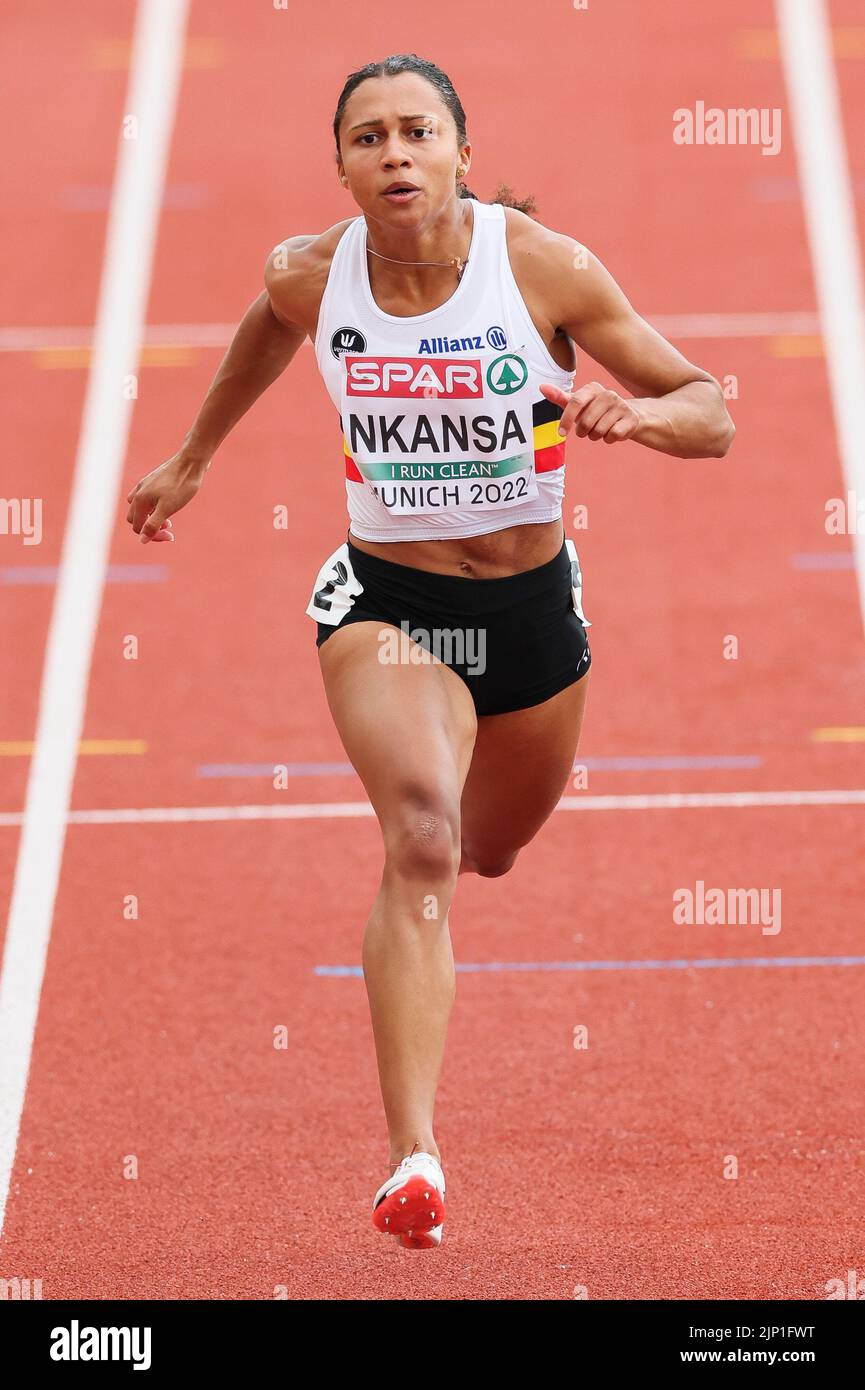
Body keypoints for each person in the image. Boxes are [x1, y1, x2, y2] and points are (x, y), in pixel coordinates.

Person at [126, 53, 735, 1252]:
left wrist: (642, 416)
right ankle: (415, 1155)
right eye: (369, 137)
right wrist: (192, 457)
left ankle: (476, 824)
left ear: (460, 150)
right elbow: (267, 330)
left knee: (494, 851)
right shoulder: (313, 273)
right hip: (385, 600)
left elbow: (710, 409)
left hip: (530, 615)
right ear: (342, 166)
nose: (394, 154)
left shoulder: (542, 268)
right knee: (422, 836)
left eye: (417, 132)